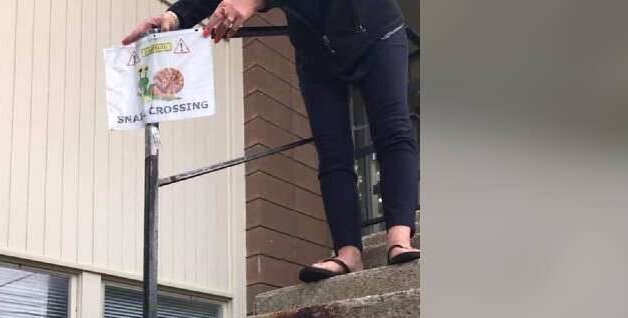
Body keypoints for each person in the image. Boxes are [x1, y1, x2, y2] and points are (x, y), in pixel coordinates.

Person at [122, 0, 419, 282]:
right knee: (332, 152)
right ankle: (348, 253)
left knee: (392, 131)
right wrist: (174, 17)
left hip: (376, 28)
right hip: (316, 46)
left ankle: (399, 238)